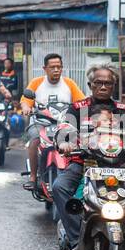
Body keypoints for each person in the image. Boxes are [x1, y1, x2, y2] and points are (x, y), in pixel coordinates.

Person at [50, 64, 125, 250]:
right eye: (99, 82)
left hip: (120, 167)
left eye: (108, 83)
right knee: (59, 187)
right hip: (84, 164)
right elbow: (65, 127)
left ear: (114, 86)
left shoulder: (124, 110)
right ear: (90, 85)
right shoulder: (78, 107)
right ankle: (76, 242)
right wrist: (65, 142)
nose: (103, 86)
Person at [20, 53, 85, 190]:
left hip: (64, 123)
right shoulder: (37, 82)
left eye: (59, 67)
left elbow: (81, 101)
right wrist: (26, 108)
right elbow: (26, 101)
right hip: (41, 123)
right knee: (35, 140)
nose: (56, 70)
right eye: (52, 67)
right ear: (45, 68)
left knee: (81, 143)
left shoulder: (69, 83)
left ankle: (79, 175)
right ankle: (33, 177)